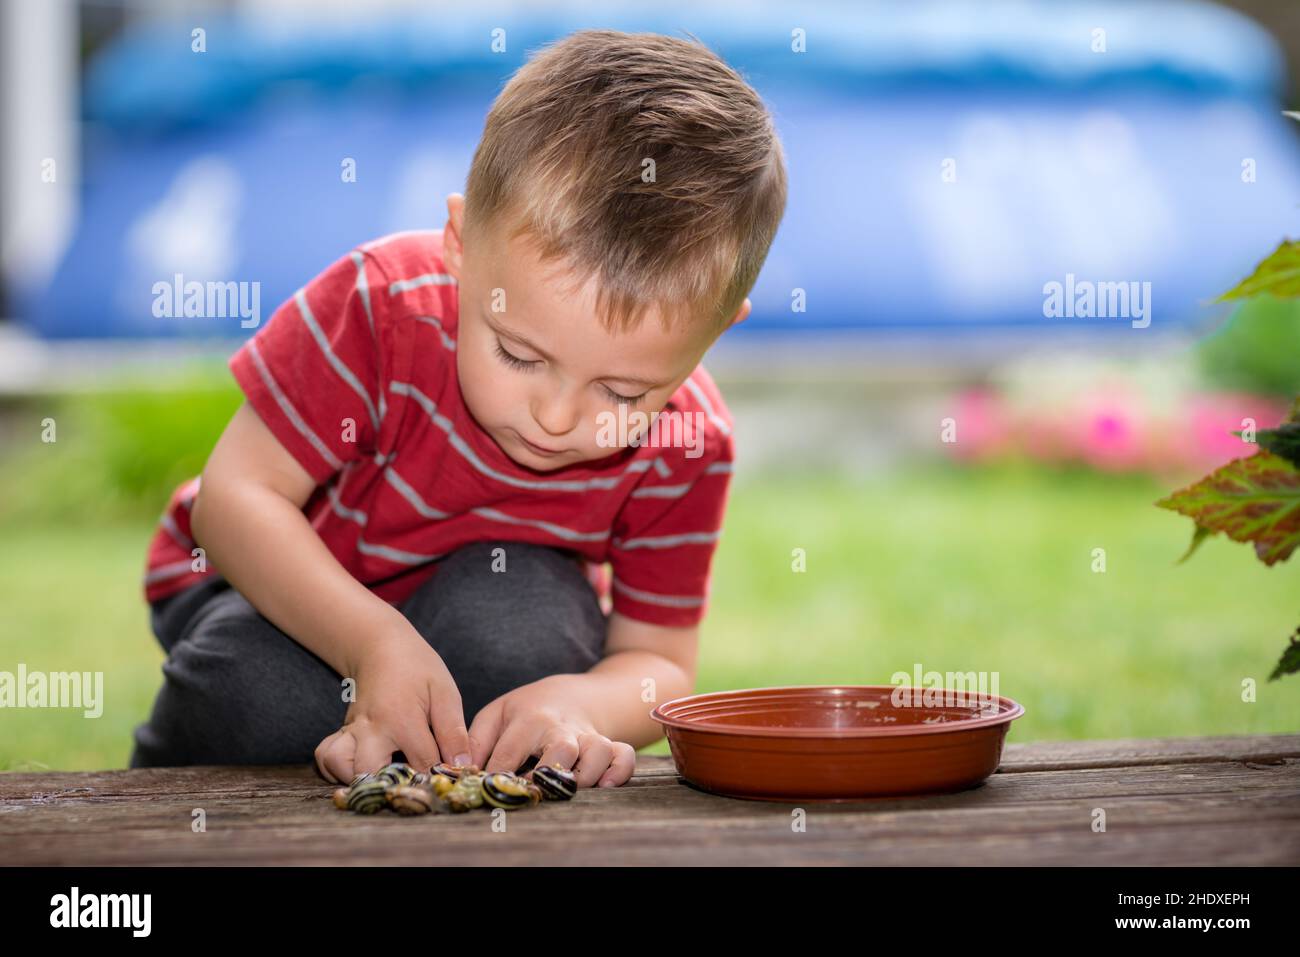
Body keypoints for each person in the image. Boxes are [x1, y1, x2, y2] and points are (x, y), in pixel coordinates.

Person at [131, 29, 787, 790]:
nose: (555, 415)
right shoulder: (379, 308)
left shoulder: (684, 439)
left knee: (525, 627)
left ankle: (414, 756)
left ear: (714, 334)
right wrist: (375, 646)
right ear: (459, 245)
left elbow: (661, 665)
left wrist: (583, 704)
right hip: (270, 578)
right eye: (519, 354)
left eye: (622, 392)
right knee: (261, 688)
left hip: (485, 606)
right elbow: (235, 502)